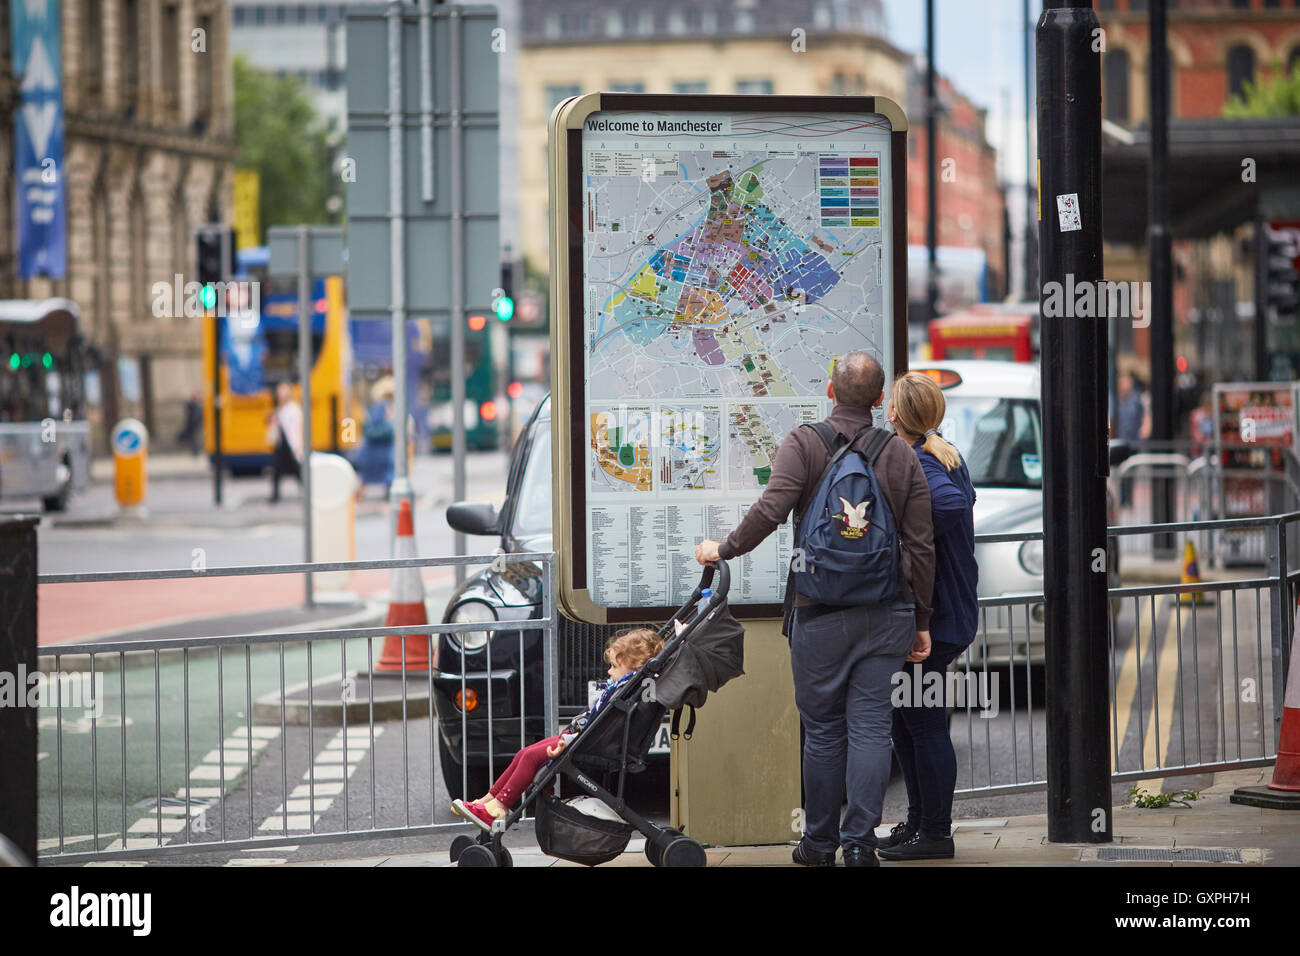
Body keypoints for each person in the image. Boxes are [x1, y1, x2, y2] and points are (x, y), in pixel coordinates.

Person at [695, 351, 935, 867]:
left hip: (819, 610)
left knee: (824, 731)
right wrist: (920, 621)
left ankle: (819, 845)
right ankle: (861, 846)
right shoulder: (901, 455)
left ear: (829, 392)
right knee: (872, 727)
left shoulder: (804, 443)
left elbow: (771, 509)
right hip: (888, 610)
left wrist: (724, 549)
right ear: (878, 400)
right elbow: (920, 547)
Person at [877, 372, 979, 861]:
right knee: (906, 723)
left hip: (932, 619)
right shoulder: (943, 452)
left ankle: (936, 833)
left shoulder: (920, 459)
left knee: (924, 726)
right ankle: (918, 823)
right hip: (943, 611)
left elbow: (950, 505)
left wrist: (901, 544)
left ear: (895, 414)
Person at [450, 627, 664, 830]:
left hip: (584, 742)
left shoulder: (626, 691)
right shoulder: (629, 687)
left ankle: (499, 807)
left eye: (615, 667)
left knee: (530, 757)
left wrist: (567, 743)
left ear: (635, 667)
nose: (609, 671)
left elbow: (600, 727)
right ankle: (487, 801)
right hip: (581, 737)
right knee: (524, 753)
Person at [354, 377, 396, 499]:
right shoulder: (382, 407)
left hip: (378, 452)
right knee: (376, 478)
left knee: (371, 479)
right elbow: (371, 429)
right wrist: (390, 427)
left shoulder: (383, 407)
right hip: (376, 452)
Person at [266, 383, 303, 502]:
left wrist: (298, 446)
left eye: (282, 393)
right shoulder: (279, 408)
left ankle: (306, 492)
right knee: (276, 471)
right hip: (281, 444)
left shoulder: (293, 409)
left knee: (297, 471)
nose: (280, 396)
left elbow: (297, 428)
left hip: (291, 445)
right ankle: (275, 496)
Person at [176, 389, 203, 455]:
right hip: (192, 423)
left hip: (197, 423)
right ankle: (194, 451)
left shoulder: (198, 403)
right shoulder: (191, 403)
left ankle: (196, 451)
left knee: (196, 438)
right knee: (193, 438)